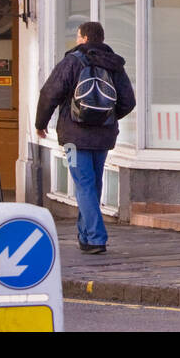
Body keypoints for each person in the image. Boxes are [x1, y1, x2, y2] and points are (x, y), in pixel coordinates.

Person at [35, 21, 135, 254]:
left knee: (84, 185)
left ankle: (96, 237)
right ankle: (85, 236)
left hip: (74, 136)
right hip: (103, 135)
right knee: (92, 184)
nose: (77, 39)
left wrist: (41, 124)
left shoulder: (72, 61)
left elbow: (50, 93)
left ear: (84, 38)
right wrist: (106, 116)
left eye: (78, 36)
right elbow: (128, 102)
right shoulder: (114, 64)